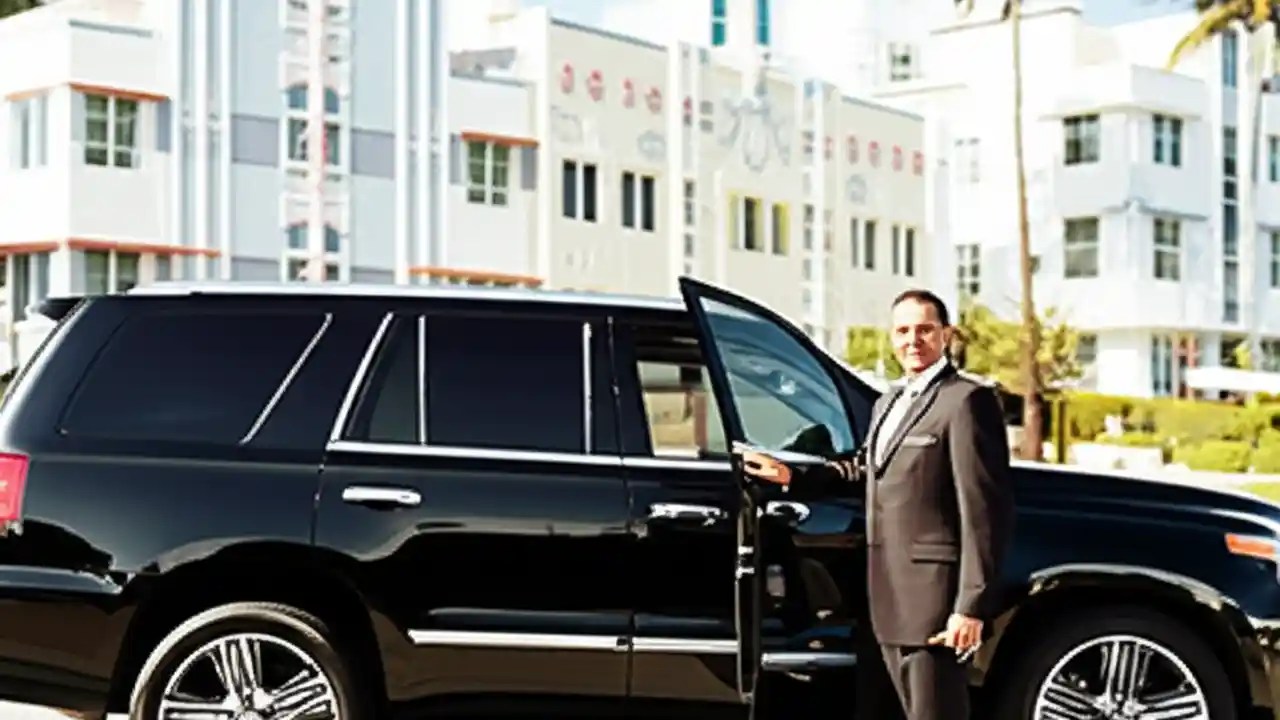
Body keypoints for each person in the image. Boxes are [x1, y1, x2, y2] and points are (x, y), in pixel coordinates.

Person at [739, 288, 1013, 720]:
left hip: (934, 606)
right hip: (883, 597)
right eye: (903, 331)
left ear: (947, 334)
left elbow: (984, 511)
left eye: (925, 329)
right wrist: (795, 476)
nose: (913, 340)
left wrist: (970, 607)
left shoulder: (966, 401)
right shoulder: (888, 402)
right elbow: (866, 467)